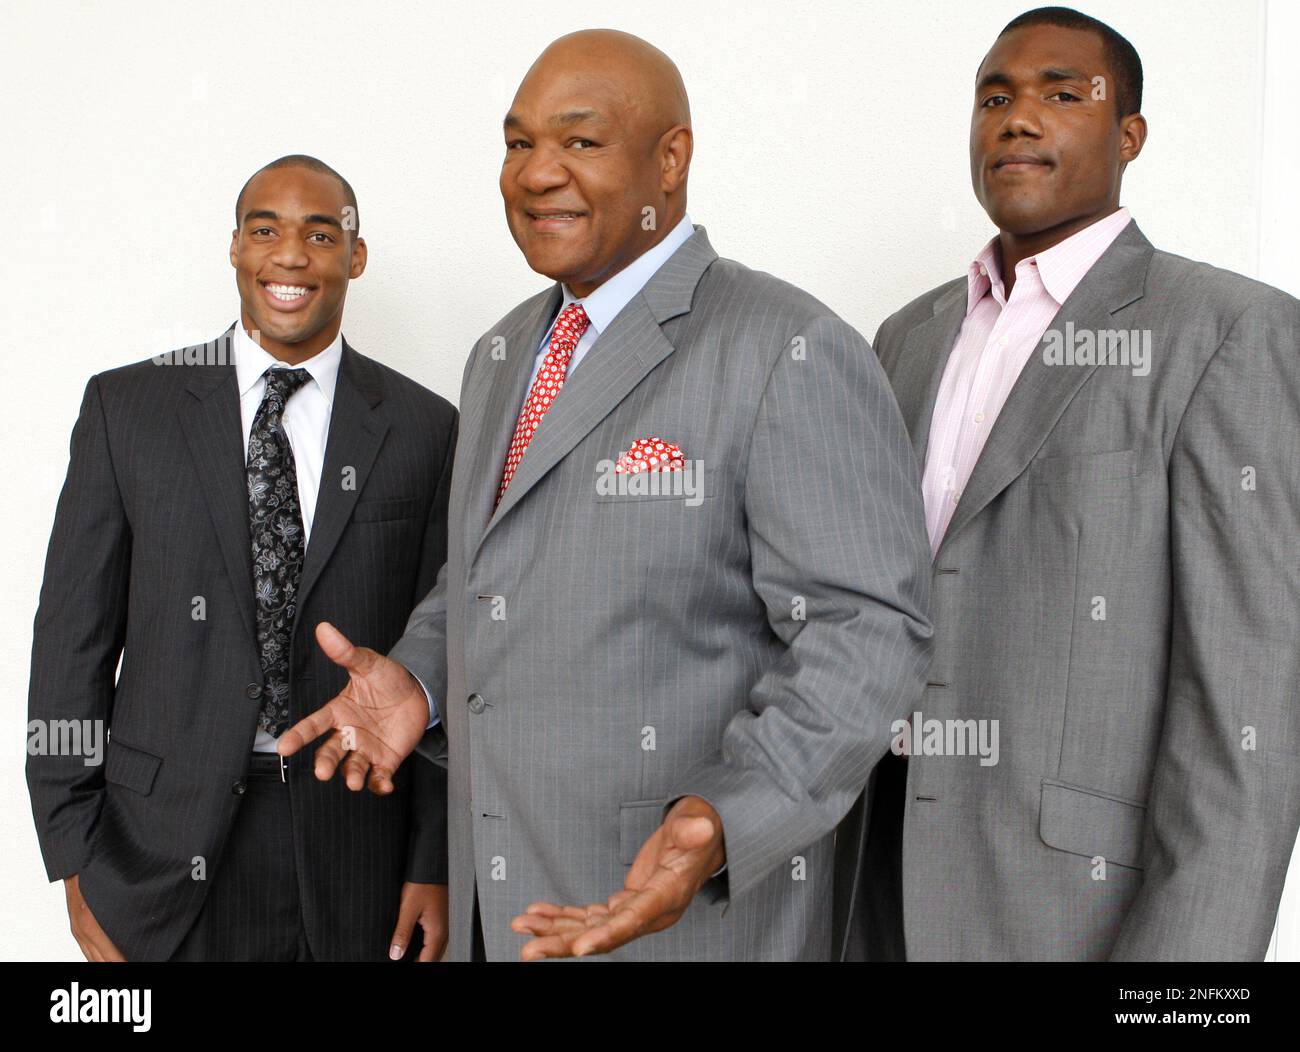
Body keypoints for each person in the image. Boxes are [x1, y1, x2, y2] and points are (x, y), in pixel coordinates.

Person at [280, 30, 933, 961]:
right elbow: (488, 573)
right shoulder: (502, 353)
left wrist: (724, 815)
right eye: (517, 144)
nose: (537, 173)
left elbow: (869, 631)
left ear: (671, 159)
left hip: (674, 913)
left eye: (580, 142)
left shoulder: (786, 347)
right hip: (499, 908)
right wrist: (420, 679)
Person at [834, 6, 1300, 961]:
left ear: (1129, 136)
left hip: (1068, 910)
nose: (1017, 118)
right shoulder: (908, 338)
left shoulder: (1227, 332)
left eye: (1061, 93)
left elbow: (1248, 706)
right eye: (994, 97)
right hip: (871, 882)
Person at [27, 156, 456, 961]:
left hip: (356, 848)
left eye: (320, 234)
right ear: (234, 247)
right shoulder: (129, 408)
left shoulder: (427, 428)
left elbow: (446, 652)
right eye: (266, 230)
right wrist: (73, 856)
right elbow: (69, 644)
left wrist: (431, 860)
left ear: (354, 257)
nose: (290, 255)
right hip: (154, 850)